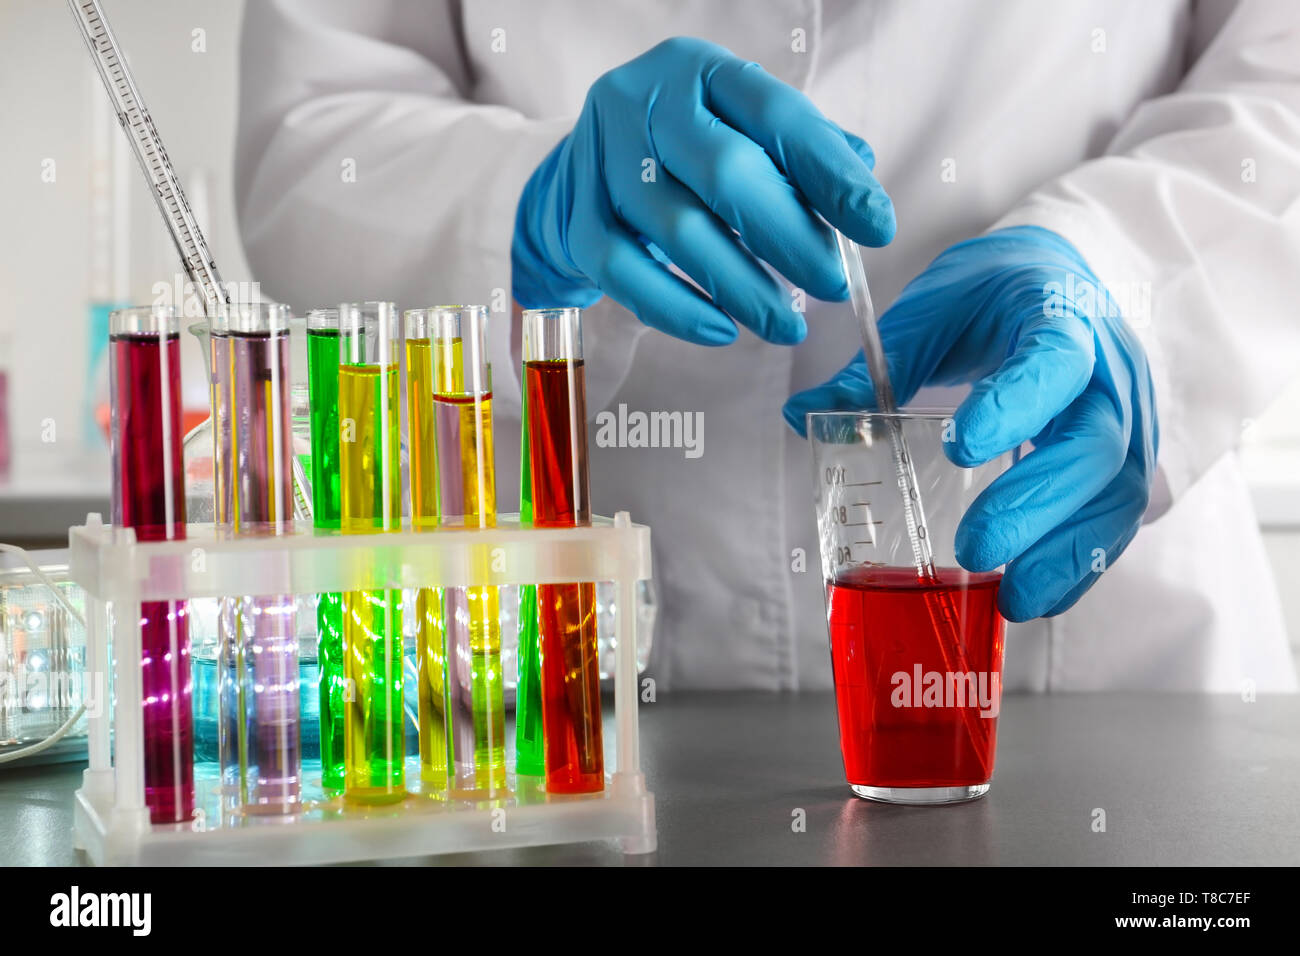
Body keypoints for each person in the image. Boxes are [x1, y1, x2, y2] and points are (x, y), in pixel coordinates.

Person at [236, 0, 1300, 692]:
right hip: (570, 672)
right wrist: (537, 207)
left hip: (1115, 685)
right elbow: (313, 133)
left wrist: (1123, 274)